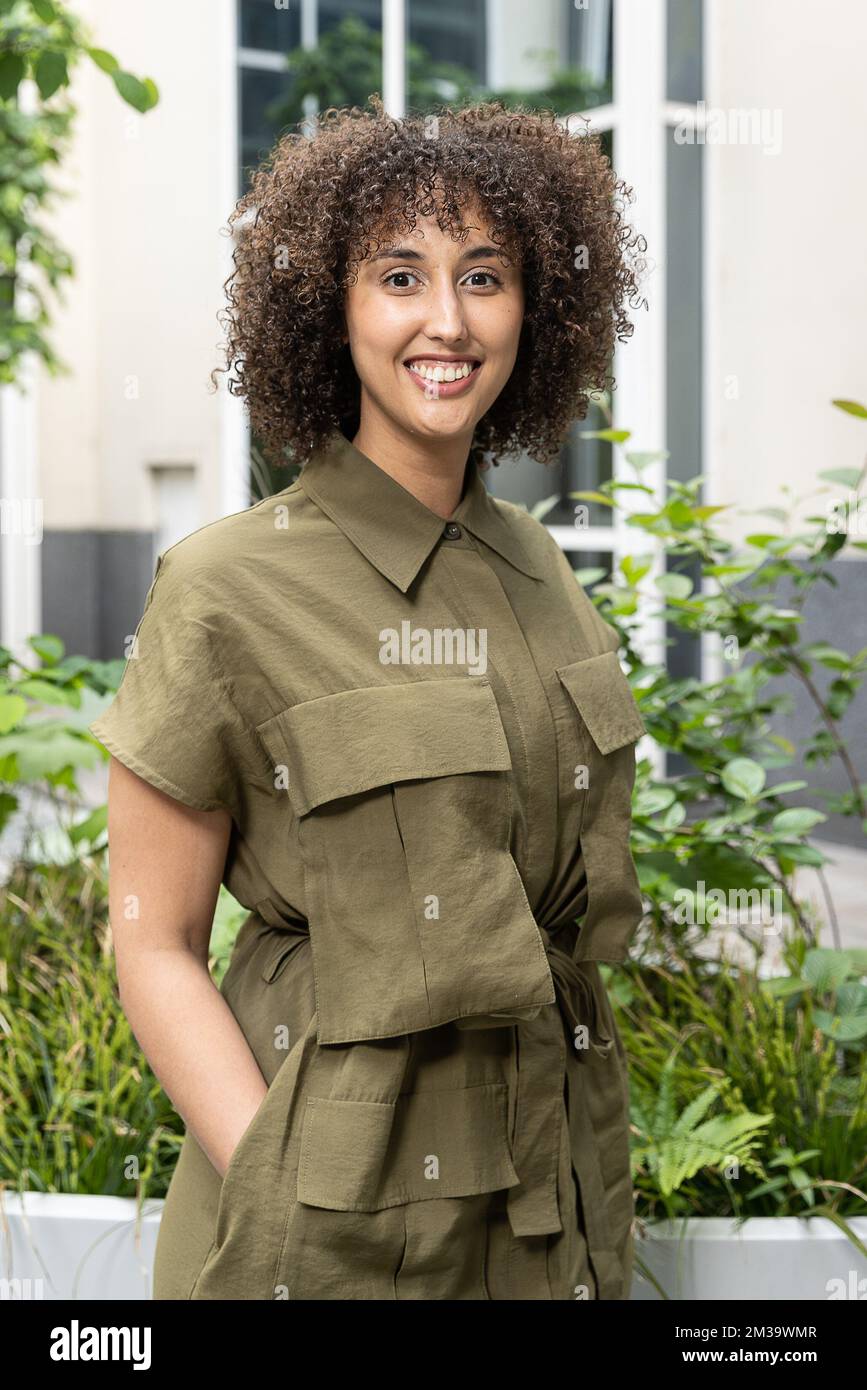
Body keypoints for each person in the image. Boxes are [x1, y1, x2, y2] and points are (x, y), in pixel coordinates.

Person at [89, 96, 648, 1301]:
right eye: (400, 275)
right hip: (334, 1245)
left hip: (555, 1225)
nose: (447, 321)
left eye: (485, 276)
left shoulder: (544, 574)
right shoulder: (225, 586)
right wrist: (271, 1178)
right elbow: (152, 939)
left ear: (534, 310)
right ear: (329, 310)